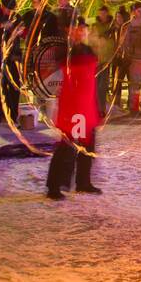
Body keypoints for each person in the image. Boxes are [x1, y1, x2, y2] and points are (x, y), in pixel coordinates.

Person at [45, 20, 103, 200]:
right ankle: (54, 186)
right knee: (68, 146)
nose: (82, 33)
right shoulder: (67, 51)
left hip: (86, 105)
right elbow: (67, 67)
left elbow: (91, 79)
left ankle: (83, 182)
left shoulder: (86, 50)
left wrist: (97, 107)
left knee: (87, 146)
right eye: (78, 30)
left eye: (84, 30)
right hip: (75, 107)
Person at [90, 4, 118, 116]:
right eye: (100, 13)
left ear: (107, 13)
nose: (102, 15)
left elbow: (116, 40)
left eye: (104, 13)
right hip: (97, 58)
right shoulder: (95, 26)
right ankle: (95, 108)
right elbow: (91, 40)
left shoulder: (112, 25)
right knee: (96, 85)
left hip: (107, 59)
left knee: (103, 85)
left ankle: (101, 108)